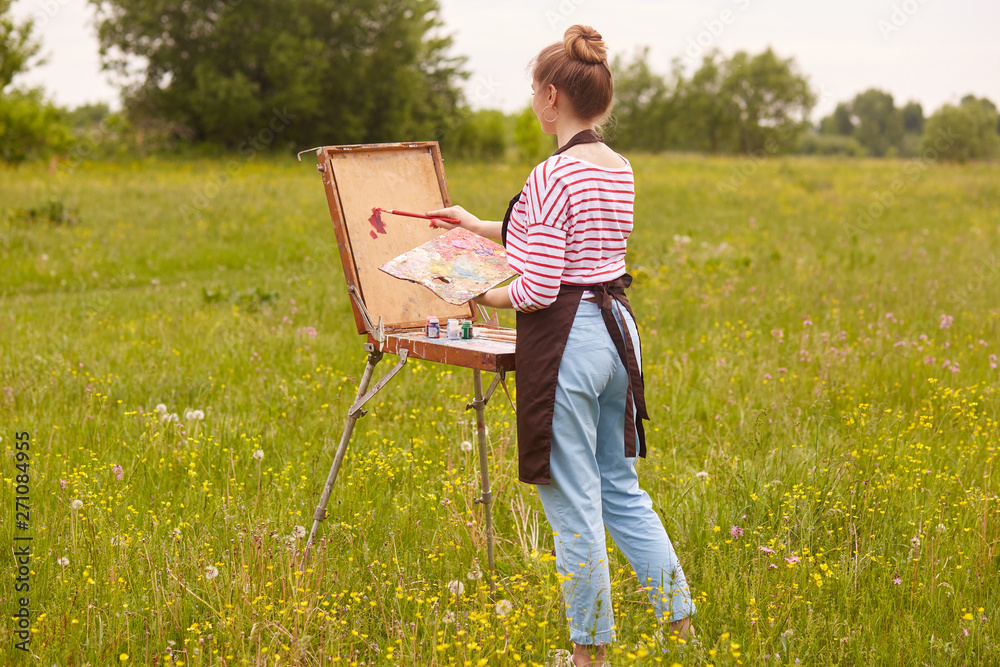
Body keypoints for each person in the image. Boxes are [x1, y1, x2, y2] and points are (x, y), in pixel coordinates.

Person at [427, 24, 695, 666]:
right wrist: (480, 227)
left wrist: (461, 287)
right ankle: (681, 631)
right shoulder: (616, 167)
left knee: (573, 502)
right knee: (619, 488)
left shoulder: (550, 173)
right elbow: (561, 240)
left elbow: (538, 287)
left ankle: (588, 656)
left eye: (532, 91)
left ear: (552, 95)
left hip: (569, 341)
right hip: (615, 333)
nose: (530, 100)